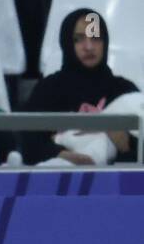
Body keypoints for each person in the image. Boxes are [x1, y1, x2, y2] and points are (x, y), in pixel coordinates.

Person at [19, 8, 139, 165]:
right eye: (79, 39)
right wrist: (61, 155)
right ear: (67, 43)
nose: (89, 47)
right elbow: (28, 141)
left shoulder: (123, 90)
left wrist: (126, 144)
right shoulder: (48, 89)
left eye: (95, 38)